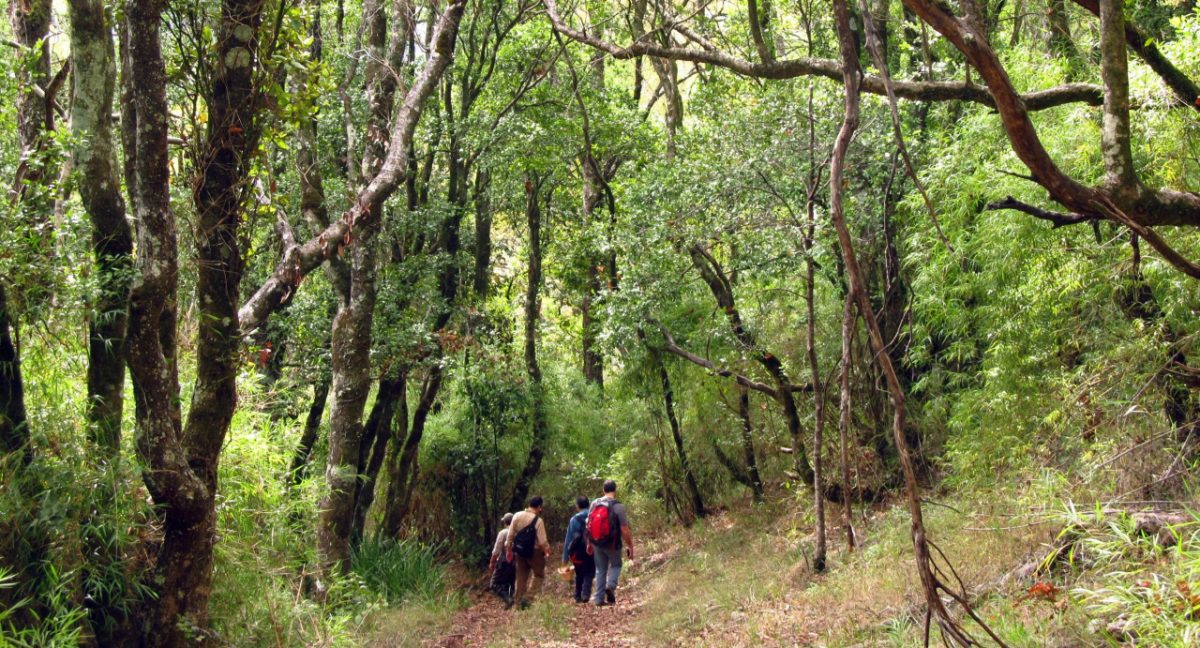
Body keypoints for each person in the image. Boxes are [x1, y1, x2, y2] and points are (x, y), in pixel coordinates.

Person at [587, 479, 633, 607]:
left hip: (596, 543)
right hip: (612, 544)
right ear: (615, 490)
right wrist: (630, 545)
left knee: (600, 569)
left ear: (603, 490)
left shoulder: (595, 503)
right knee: (616, 565)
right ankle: (611, 585)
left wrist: (589, 543)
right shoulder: (618, 506)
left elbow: (589, 524)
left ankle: (598, 599)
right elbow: (624, 528)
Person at [505, 495, 550, 609]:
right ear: (539, 507)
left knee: (521, 576)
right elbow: (542, 541)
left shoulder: (517, 515)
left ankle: (518, 603)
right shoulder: (538, 521)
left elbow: (510, 535)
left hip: (519, 551)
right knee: (539, 575)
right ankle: (528, 598)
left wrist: (508, 549)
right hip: (534, 552)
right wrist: (547, 550)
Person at [562, 495, 595, 603]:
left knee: (579, 572)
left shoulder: (574, 520)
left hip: (577, 551)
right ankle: (585, 594)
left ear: (577, 506)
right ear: (588, 504)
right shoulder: (593, 516)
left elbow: (568, 539)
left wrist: (565, 558)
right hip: (591, 549)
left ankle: (577, 596)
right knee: (589, 572)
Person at [488, 512, 516, 607]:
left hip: (504, 562)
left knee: (494, 583)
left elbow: (496, 550)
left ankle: (508, 600)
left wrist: (492, 562)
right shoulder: (519, 532)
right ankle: (510, 602)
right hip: (516, 562)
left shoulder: (503, 533)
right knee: (510, 582)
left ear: (505, 522)